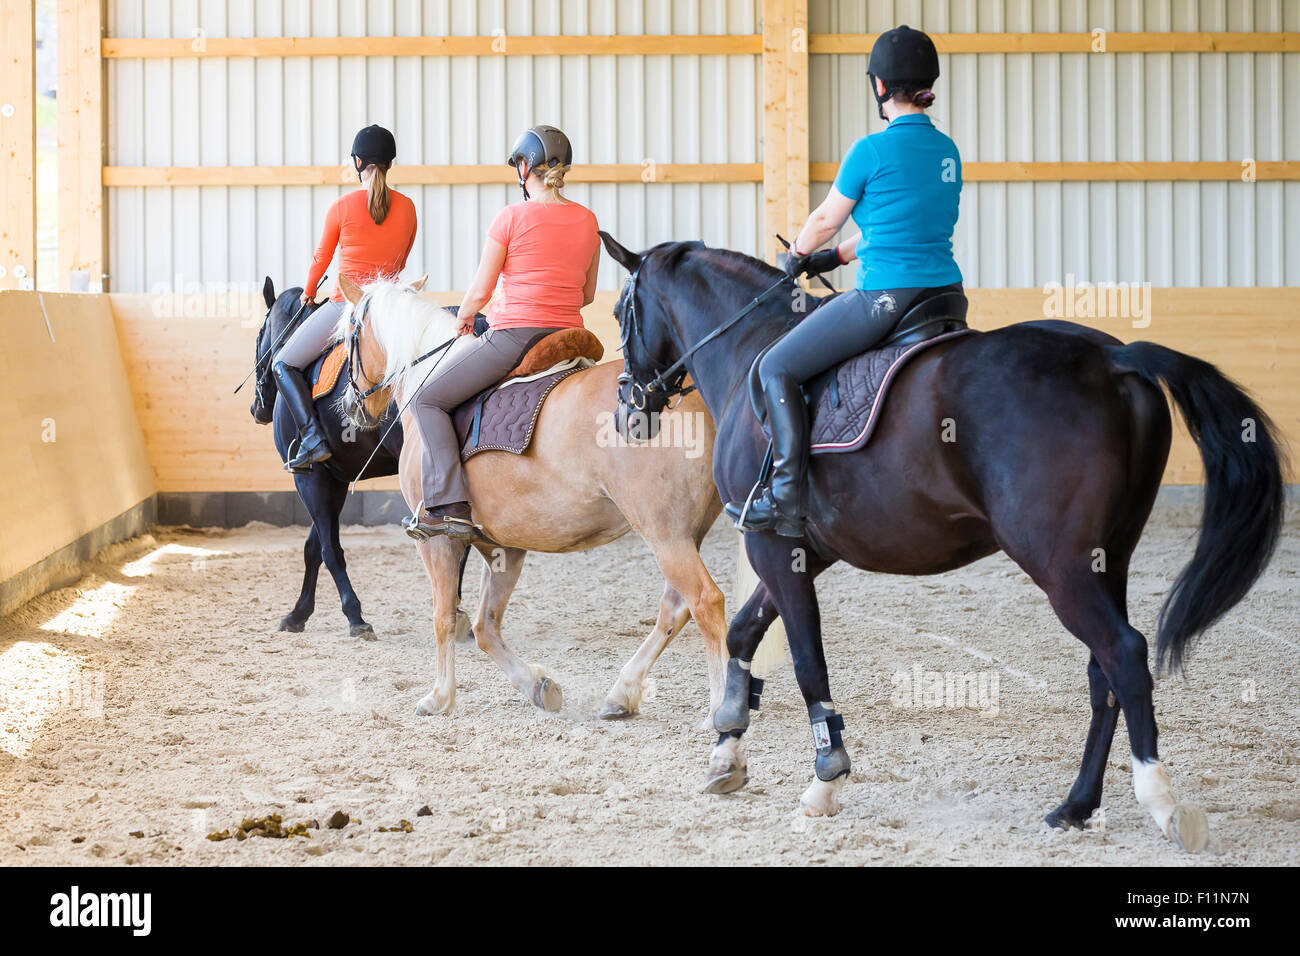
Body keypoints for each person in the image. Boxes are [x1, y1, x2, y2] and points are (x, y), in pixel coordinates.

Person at [727, 25, 965, 537]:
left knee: (776, 365)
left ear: (879, 87)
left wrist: (799, 253)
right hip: (945, 296)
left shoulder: (870, 151)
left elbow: (823, 221)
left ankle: (787, 498)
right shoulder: (947, 152)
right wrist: (834, 258)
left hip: (886, 298)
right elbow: (896, 227)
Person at [403, 125, 601, 539]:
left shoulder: (510, 216)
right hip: (569, 335)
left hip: (514, 337)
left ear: (524, 167)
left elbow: (480, 290)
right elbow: (586, 295)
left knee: (427, 399)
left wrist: (466, 314)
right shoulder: (588, 220)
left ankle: (447, 504)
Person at [273, 124, 417, 472]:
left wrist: (308, 294)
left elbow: (321, 259)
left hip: (347, 307)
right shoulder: (409, 207)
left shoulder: (342, 206)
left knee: (283, 363)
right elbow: (400, 262)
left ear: (357, 162)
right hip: (389, 311)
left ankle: (312, 438)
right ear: (390, 164)